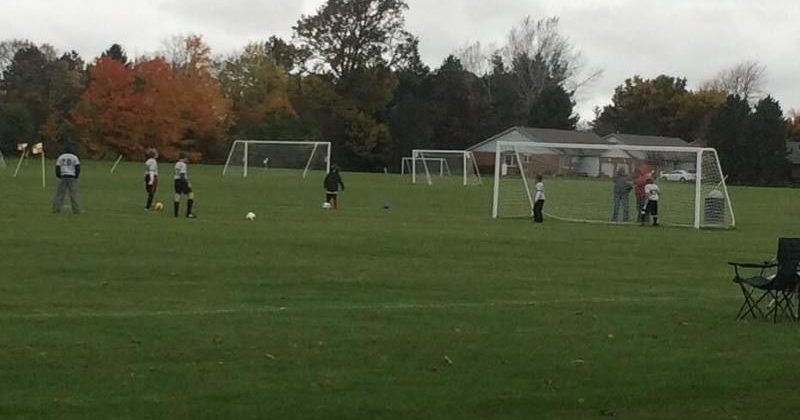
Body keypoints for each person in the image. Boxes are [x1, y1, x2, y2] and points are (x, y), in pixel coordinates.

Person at [52, 143, 81, 214]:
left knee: (59, 194)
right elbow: (77, 168)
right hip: (72, 177)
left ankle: (56, 209)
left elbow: (57, 168)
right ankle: (76, 210)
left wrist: (58, 176)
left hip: (63, 176)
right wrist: (76, 176)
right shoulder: (74, 157)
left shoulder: (61, 157)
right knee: (74, 194)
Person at [173, 152, 196, 218]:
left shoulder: (176, 164)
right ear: (184, 158)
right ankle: (188, 213)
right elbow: (182, 175)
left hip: (176, 180)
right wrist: (187, 183)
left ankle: (176, 214)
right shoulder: (183, 165)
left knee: (177, 195)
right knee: (191, 195)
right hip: (182, 181)